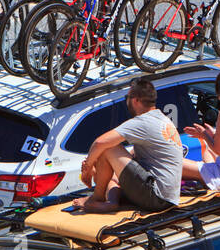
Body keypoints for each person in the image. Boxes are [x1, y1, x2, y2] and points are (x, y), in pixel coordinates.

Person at [74, 78, 182, 214]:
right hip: (167, 197)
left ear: (135, 100)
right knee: (111, 176)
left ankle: (97, 198)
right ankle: (111, 203)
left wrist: (87, 170)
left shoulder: (143, 121)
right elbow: (137, 157)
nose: (126, 101)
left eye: (127, 97)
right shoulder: (162, 119)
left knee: (109, 147)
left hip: (156, 197)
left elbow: (100, 142)